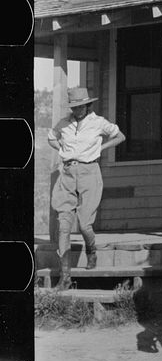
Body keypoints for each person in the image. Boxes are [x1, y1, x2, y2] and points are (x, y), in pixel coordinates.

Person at [47, 86, 126, 290]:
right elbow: (51, 137)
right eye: (74, 107)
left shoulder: (98, 122)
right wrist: (62, 148)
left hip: (89, 173)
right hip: (67, 174)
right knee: (64, 225)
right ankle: (65, 277)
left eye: (81, 106)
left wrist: (101, 148)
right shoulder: (64, 123)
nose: (78, 110)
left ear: (88, 105)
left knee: (84, 224)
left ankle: (91, 251)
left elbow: (120, 136)